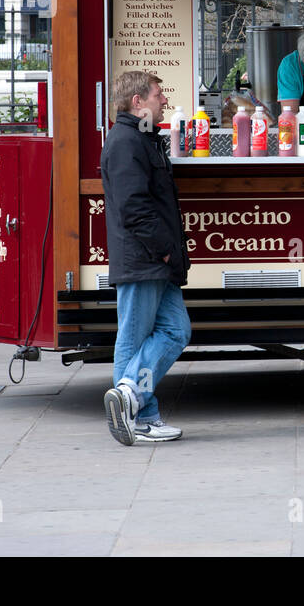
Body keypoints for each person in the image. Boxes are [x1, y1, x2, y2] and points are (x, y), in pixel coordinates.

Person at [100, 70, 192, 446]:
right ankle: (136, 413)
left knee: (176, 330)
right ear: (137, 101)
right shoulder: (126, 143)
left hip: (154, 259)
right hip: (146, 259)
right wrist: (166, 248)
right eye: (158, 94)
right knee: (134, 340)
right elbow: (134, 207)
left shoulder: (139, 139)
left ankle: (136, 405)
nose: (164, 100)